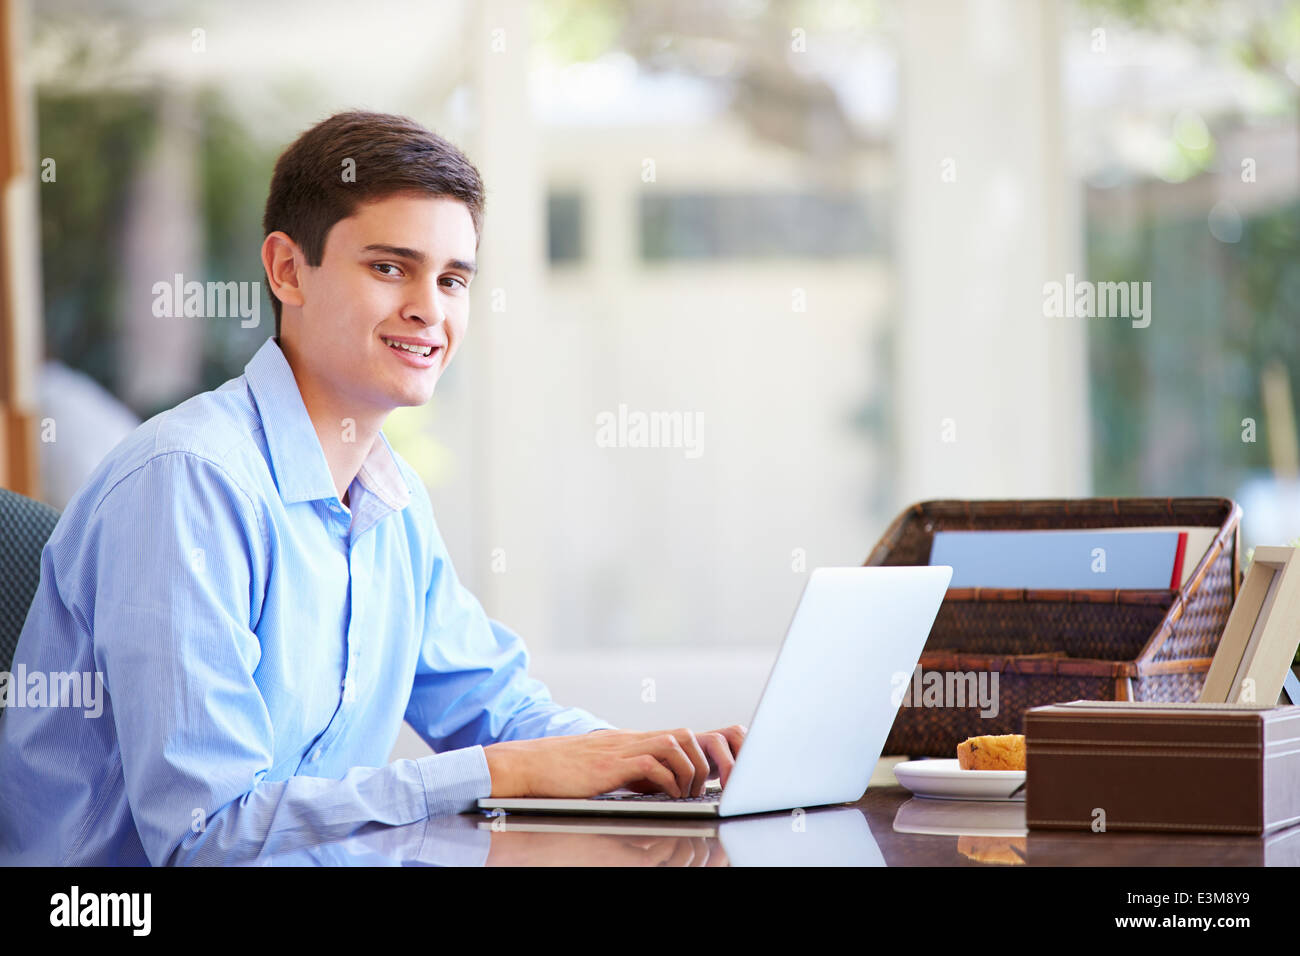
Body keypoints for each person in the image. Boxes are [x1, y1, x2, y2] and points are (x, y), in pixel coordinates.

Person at [0, 110, 744, 866]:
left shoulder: (389, 496)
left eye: (453, 279)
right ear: (288, 270)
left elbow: (494, 706)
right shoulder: (189, 481)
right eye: (391, 267)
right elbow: (208, 838)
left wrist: (638, 762)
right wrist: (497, 774)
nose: (430, 308)